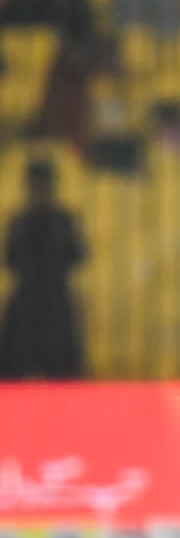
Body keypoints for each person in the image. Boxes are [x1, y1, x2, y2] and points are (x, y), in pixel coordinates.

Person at [0, 158, 86, 379]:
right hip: (27, 305)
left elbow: (79, 256)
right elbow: (9, 260)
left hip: (55, 303)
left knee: (61, 372)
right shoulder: (18, 221)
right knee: (16, 371)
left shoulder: (65, 220)